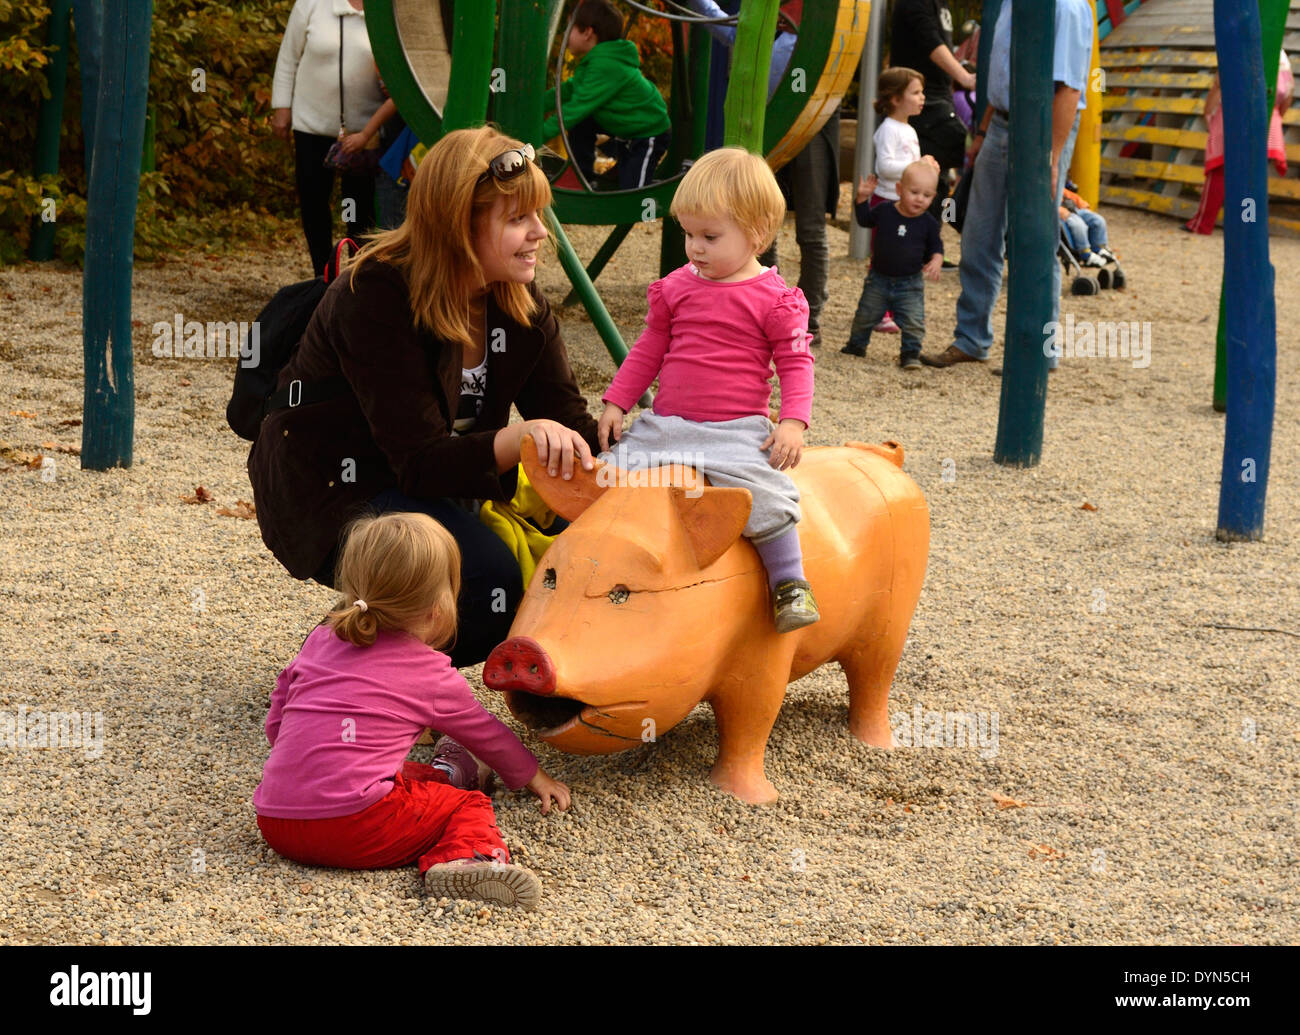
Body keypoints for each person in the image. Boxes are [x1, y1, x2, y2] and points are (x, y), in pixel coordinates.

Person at [247, 127, 601, 668]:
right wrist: (519, 437)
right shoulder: (377, 294)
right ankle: (352, 665)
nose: (539, 234)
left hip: (438, 484)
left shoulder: (518, 299)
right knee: (487, 583)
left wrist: (656, 441)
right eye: (516, 219)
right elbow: (418, 463)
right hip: (340, 490)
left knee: (596, 540)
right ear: (460, 224)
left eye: (538, 215)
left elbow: (571, 424)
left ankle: (372, 628)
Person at [254, 512, 571, 908]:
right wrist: (534, 777)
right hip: (351, 828)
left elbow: (280, 711)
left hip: (276, 821)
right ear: (437, 609)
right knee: (467, 805)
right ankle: (466, 859)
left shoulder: (320, 639)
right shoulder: (431, 674)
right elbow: (486, 734)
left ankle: (449, 772)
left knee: (404, 776)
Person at [596, 148, 819, 633]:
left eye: (710, 237)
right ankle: (591, 564)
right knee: (608, 476)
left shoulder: (775, 300)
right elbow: (649, 348)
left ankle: (789, 583)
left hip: (735, 431)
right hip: (668, 425)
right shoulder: (677, 287)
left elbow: (796, 362)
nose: (695, 247)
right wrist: (618, 400)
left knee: (767, 494)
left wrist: (792, 422)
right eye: (688, 234)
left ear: (756, 233)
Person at [921, 0, 1094, 370]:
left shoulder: (1067, 8)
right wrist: (983, 130)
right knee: (978, 233)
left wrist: (1051, 152)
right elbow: (1002, 75)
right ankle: (972, 338)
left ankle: (1037, 348)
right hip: (1000, 121)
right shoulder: (1011, 5)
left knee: (1033, 240)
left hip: (1042, 126)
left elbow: (1070, 89)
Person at [688, 0, 840, 348]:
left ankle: (809, 314)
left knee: (811, 228)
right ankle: (765, 304)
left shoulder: (808, 26)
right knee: (758, 220)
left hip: (811, 123)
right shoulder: (766, 23)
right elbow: (725, 25)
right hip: (769, 127)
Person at [272, 0, 386, 276]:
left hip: (364, 134)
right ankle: (322, 277)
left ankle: (358, 282)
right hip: (311, 126)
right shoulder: (311, 4)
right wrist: (281, 108)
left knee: (360, 211)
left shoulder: (385, 11)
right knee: (314, 203)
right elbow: (288, 58)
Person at [541, 0, 672, 189]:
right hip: (626, 125)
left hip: (649, 132)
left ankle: (620, 199)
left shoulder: (606, 65)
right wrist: (534, 104)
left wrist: (536, 135)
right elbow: (567, 91)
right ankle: (581, 174)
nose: (564, 35)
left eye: (570, 28)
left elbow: (574, 109)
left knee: (632, 193)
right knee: (582, 122)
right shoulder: (595, 60)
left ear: (587, 32)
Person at [841, 163, 943, 368]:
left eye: (927, 195)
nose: (920, 199)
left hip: (910, 283)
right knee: (865, 315)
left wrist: (937, 259)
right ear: (899, 189)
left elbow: (937, 246)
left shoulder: (929, 222)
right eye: (914, 192)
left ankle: (910, 354)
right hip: (878, 278)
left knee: (914, 321)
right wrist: (861, 199)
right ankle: (856, 346)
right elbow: (864, 220)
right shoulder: (885, 210)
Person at [1184, 49, 1292, 235]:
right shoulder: (1278, 53)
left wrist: (1208, 112)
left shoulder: (1236, 44)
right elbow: (1288, 92)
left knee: (1219, 172)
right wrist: (1275, 117)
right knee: (1251, 179)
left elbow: (1219, 85)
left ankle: (1202, 224)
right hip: (1266, 121)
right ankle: (1246, 226)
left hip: (1233, 118)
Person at [890, 0, 977, 226]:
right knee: (970, 152)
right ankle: (935, 237)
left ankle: (931, 246)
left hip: (939, 99)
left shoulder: (941, 4)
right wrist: (964, 77)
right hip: (923, 103)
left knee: (937, 181)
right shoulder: (916, 4)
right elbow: (932, 43)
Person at [866, 68, 938, 334]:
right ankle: (878, 309)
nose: (922, 98)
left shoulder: (907, 129)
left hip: (904, 204)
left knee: (904, 256)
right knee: (884, 256)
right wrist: (917, 164)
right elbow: (885, 166)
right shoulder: (888, 130)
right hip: (887, 202)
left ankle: (898, 307)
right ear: (895, 99)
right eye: (916, 92)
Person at [1059, 185, 1113, 266]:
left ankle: (1098, 248)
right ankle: (1085, 253)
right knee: (1078, 224)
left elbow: (1065, 192)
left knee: (1097, 220)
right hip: (1060, 213)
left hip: (1072, 207)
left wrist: (1082, 204)